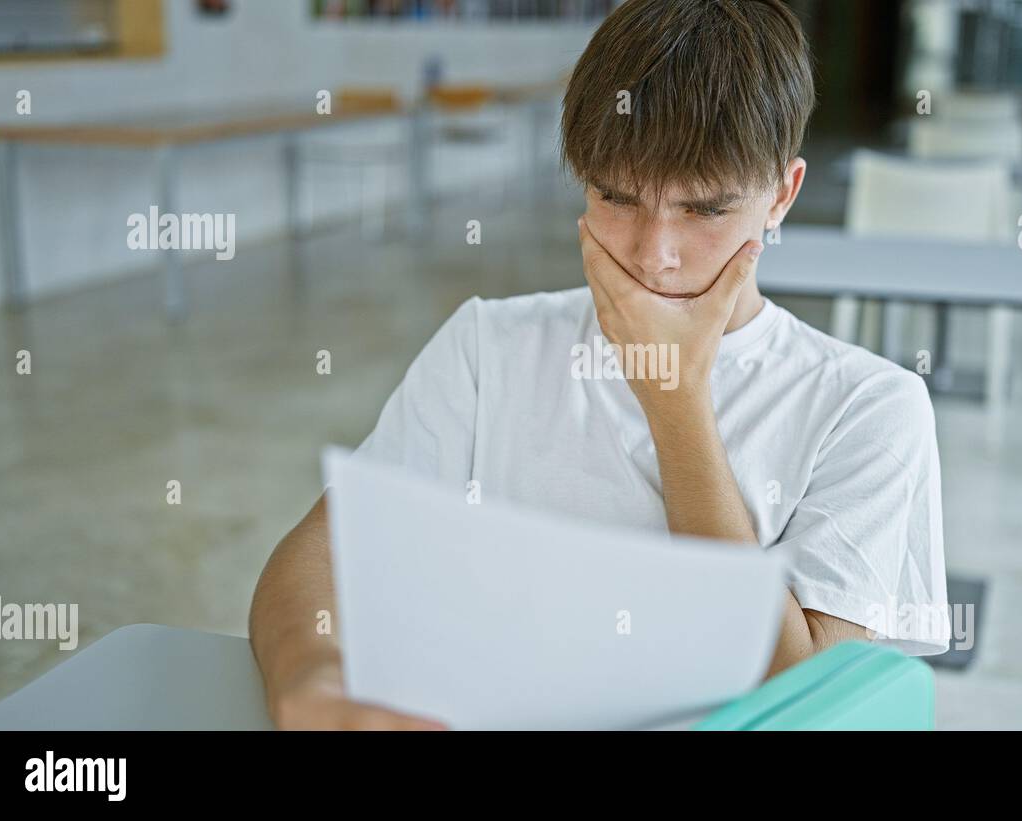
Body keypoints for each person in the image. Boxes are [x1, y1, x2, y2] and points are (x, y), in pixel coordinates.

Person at [249, 0, 948, 731]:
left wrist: (675, 405)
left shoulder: (868, 407)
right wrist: (314, 676)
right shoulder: (491, 345)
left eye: (704, 210)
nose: (654, 254)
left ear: (781, 195)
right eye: (615, 196)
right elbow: (322, 553)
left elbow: (802, 694)